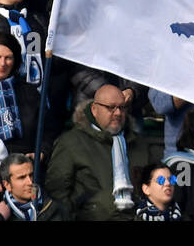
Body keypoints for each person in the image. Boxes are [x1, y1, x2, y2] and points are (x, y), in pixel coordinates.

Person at [44, 83, 137, 220]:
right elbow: (58, 195)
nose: (118, 113)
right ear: (94, 109)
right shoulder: (71, 143)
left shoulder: (137, 143)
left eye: (122, 108)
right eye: (111, 107)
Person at [0, 151, 66, 220]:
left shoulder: (55, 208)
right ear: (7, 185)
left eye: (31, 175)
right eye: (22, 177)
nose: (30, 182)